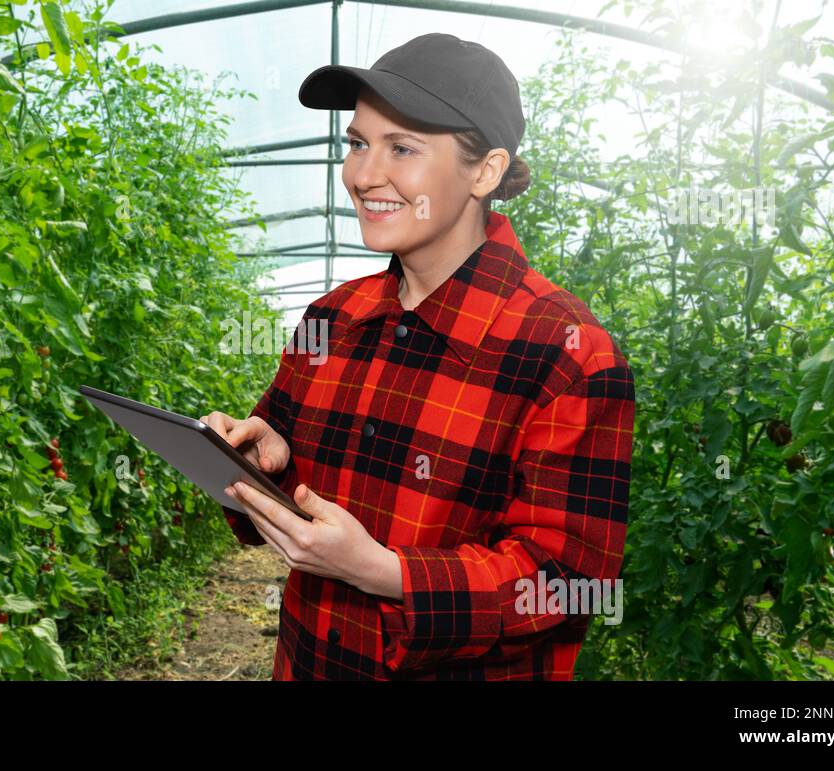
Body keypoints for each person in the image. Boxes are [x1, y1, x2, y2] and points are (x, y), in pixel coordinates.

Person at [201, 33, 635, 680]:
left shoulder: (566, 352)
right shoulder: (332, 320)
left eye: (401, 148)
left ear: (485, 171)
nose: (362, 174)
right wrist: (259, 463)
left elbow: (564, 582)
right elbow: (291, 510)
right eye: (356, 143)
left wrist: (385, 572)